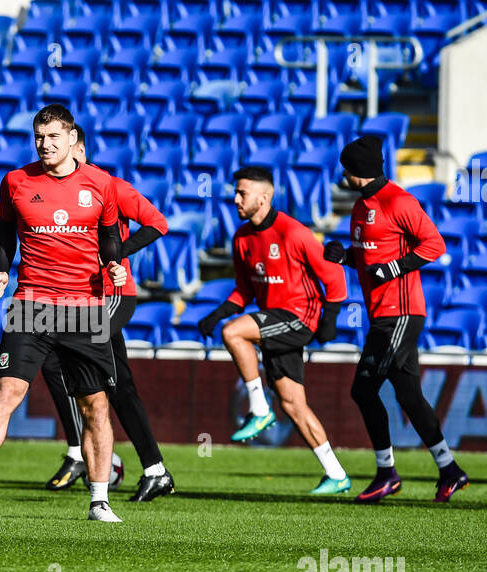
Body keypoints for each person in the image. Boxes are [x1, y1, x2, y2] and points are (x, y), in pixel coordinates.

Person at [0, 104, 128, 522]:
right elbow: (4, 229)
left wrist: (114, 262)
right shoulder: (16, 181)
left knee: (94, 405)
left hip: (84, 307)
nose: (44, 145)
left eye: (53, 137)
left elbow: (109, 234)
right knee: (6, 392)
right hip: (32, 303)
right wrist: (3, 270)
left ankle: (99, 500)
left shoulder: (101, 183)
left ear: (72, 139)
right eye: (39, 137)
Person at [323, 135, 470, 503]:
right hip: (381, 315)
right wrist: (343, 257)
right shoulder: (360, 207)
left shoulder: (398, 200)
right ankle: (449, 470)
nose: (343, 174)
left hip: (401, 312)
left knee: (364, 389)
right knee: (408, 395)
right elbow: (368, 259)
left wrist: (394, 268)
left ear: (359, 171)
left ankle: (387, 473)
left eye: (347, 168)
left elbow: (434, 244)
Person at [38, 123, 175, 501]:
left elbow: (158, 223)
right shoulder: (55, 190)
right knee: (117, 385)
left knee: (57, 360)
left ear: (77, 148)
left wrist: (116, 254)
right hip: (82, 298)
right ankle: (155, 469)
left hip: (112, 295)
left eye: (66, 146)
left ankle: (81, 452)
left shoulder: (108, 186)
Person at [198, 166, 351, 494]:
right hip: (273, 319)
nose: (236, 199)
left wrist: (330, 321)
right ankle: (336, 473)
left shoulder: (293, 232)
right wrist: (218, 313)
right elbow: (245, 291)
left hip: (300, 315)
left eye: (243, 193)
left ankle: (258, 409)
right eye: (236, 192)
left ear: (264, 197)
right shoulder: (242, 238)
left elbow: (334, 276)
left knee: (233, 333)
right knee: (293, 403)